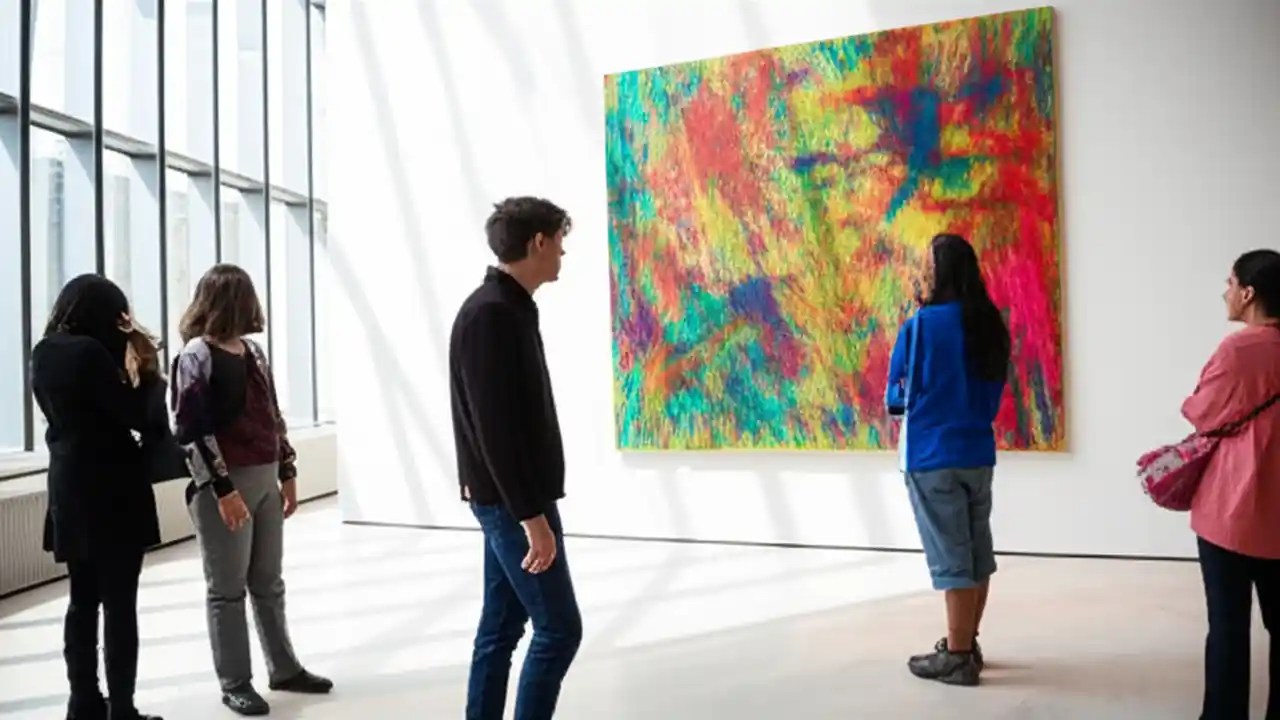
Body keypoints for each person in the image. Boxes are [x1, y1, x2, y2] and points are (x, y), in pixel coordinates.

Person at [171, 264, 332, 716]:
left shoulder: (253, 352)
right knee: (226, 589)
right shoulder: (195, 355)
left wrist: (288, 469)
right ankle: (235, 682)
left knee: (268, 581)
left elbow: (271, 415)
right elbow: (191, 430)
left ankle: (284, 669)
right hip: (226, 485)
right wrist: (223, 489)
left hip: (263, 477)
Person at [450, 197, 582, 720]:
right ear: (538, 242)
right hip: (512, 503)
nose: (564, 254)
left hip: (511, 498)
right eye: (560, 242)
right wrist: (533, 519)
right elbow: (495, 431)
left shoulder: (507, 308)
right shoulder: (492, 315)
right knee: (558, 629)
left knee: (501, 628)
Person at [31, 274, 166, 720]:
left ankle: (83, 702)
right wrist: (148, 369)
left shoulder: (44, 351)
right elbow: (133, 416)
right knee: (120, 604)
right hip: (113, 491)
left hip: (68, 487)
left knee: (81, 601)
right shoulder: (91, 353)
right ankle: (122, 709)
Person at [885, 233, 1009, 687]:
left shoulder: (920, 326)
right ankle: (968, 642)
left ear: (938, 272)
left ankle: (957, 657)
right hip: (976, 451)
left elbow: (897, 397)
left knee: (952, 559)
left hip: (930, 454)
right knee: (977, 554)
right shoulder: (990, 323)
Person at [1181, 249, 1280, 719]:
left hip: (1231, 513)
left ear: (1249, 293)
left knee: (1227, 627)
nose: (1225, 291)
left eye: (1229, 281)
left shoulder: (1238, 350)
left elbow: (1201, 411)